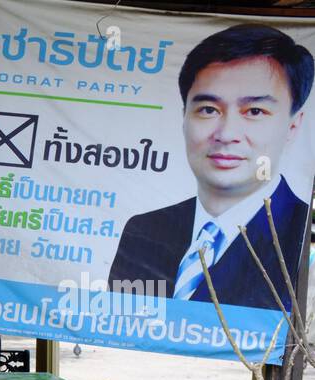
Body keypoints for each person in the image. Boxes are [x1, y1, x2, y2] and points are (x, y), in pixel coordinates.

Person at [109, 25, 312, 311]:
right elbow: (123, 324)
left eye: (255, 111)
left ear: (293, 125)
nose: (226, 133)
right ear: (184, 117)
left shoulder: (297, 235)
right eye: (208, 110)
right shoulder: (143, 230)